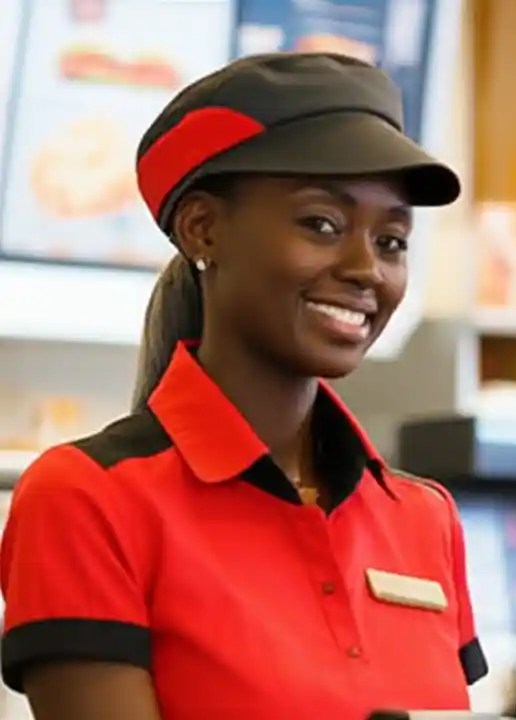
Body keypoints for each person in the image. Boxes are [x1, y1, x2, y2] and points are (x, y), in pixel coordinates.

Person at [0, 53, 487, 720]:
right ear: (202, 229)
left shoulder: (424, 518)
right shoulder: (87, 499)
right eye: (322, 224)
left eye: (392, 241)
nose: (366, 269)